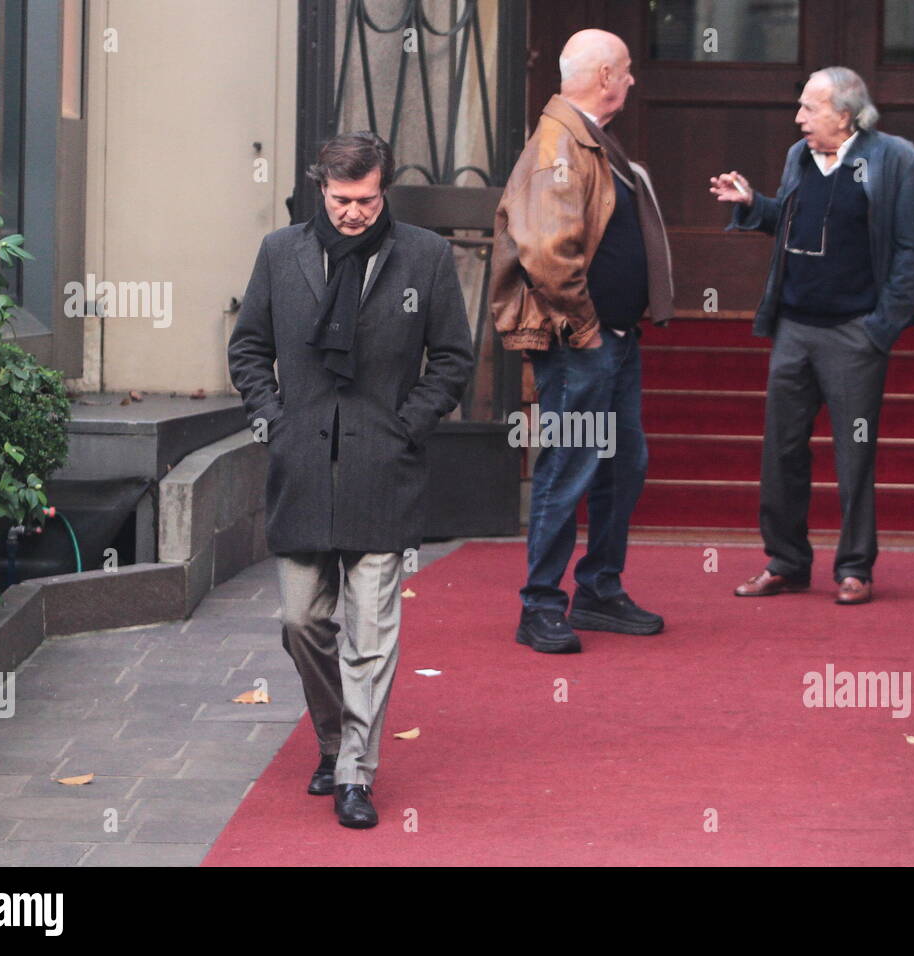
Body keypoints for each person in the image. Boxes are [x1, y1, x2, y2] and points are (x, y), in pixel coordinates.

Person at [227, 132, 473, 828]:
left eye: (366, 199)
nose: (354, 212)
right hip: (302, 466)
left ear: (383, 189)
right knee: (301, 622)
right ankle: (335, 738)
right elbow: (248, 347)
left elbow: (453, 356)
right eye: (341, 200)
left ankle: (354, 773)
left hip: (383, 467)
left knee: (371, 632)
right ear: (321, 191)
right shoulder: (281, 253)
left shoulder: (424, 255)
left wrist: (408, 424)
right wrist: (274, 419)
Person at [709, 66, 914, 606]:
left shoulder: (895, 159)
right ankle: (786, 562)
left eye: (810, 108)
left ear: (845, 114)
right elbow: (792, 220)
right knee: (781, 452)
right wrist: (753, 206)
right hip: (795, 328)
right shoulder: (797, 156)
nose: (799, 118)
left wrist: (881, 328)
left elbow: (912, 252)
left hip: (855, 333)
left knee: (854, 454)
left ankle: (854, 567)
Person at [490, 28, 674, 654]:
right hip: (579, 344)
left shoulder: (589, 137)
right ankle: (540, 605)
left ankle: (599, 590)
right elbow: (546, 252)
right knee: (568, 468)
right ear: (603, 76)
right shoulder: (558, 143)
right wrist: (588, 329)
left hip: (611, 341)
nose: (630, 80)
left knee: (623, 463)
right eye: (624, 71)